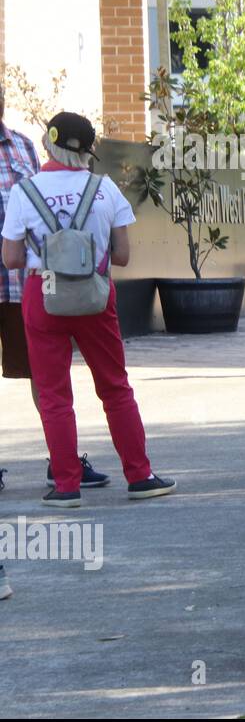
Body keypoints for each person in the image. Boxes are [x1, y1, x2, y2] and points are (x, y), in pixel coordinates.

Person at [0, 112, 174, 508]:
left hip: (43, 296)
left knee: (53, 394)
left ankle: (66, 485)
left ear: (50, 142)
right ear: (87, 151)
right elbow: (124, 256)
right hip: (96, 299)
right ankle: (141, 475)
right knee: (115, 387)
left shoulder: (26, 191)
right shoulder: (105, 189)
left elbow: (11, 258)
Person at [0, 91, 109, 491]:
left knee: (41, 377)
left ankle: (60, 462)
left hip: (20, 283)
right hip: (24, 276)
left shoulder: (23, 145)